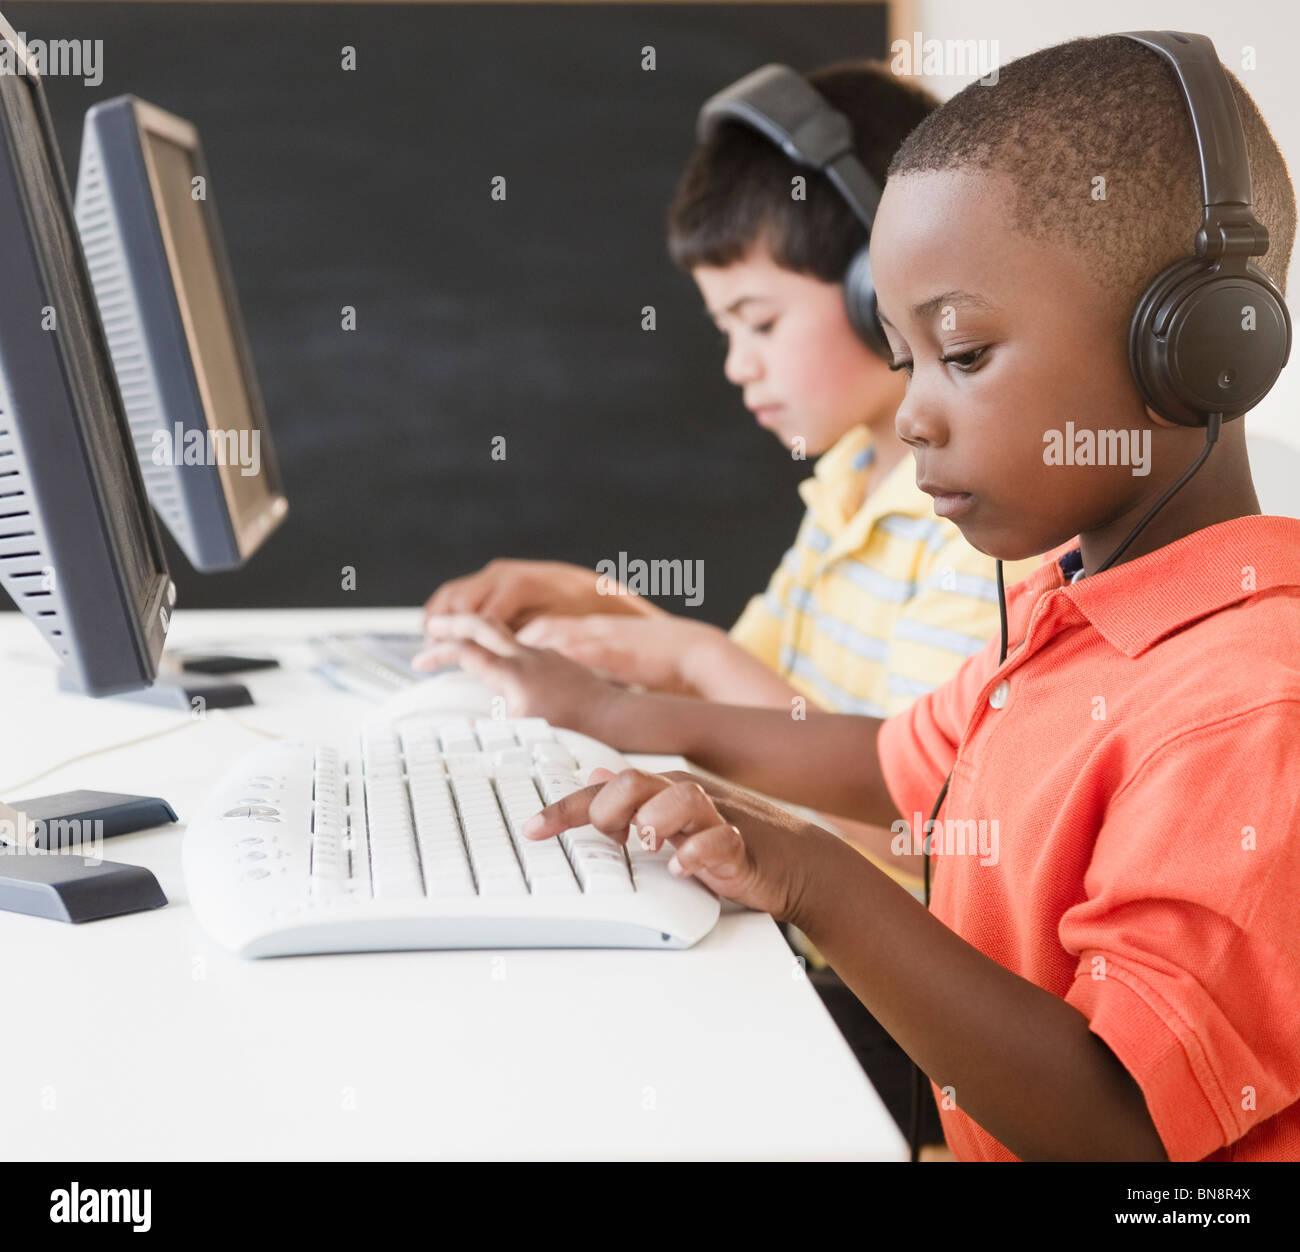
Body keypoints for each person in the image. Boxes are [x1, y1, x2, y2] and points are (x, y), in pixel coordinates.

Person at [420, 34, 1300, 1160]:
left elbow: (1120, 1127)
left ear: (1194, 348)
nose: (915, 413)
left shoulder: (1245, 703)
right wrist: (624, 717)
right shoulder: (1070, 608)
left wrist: (808, 875)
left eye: (962, 354)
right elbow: (894, 762)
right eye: (902, 356)